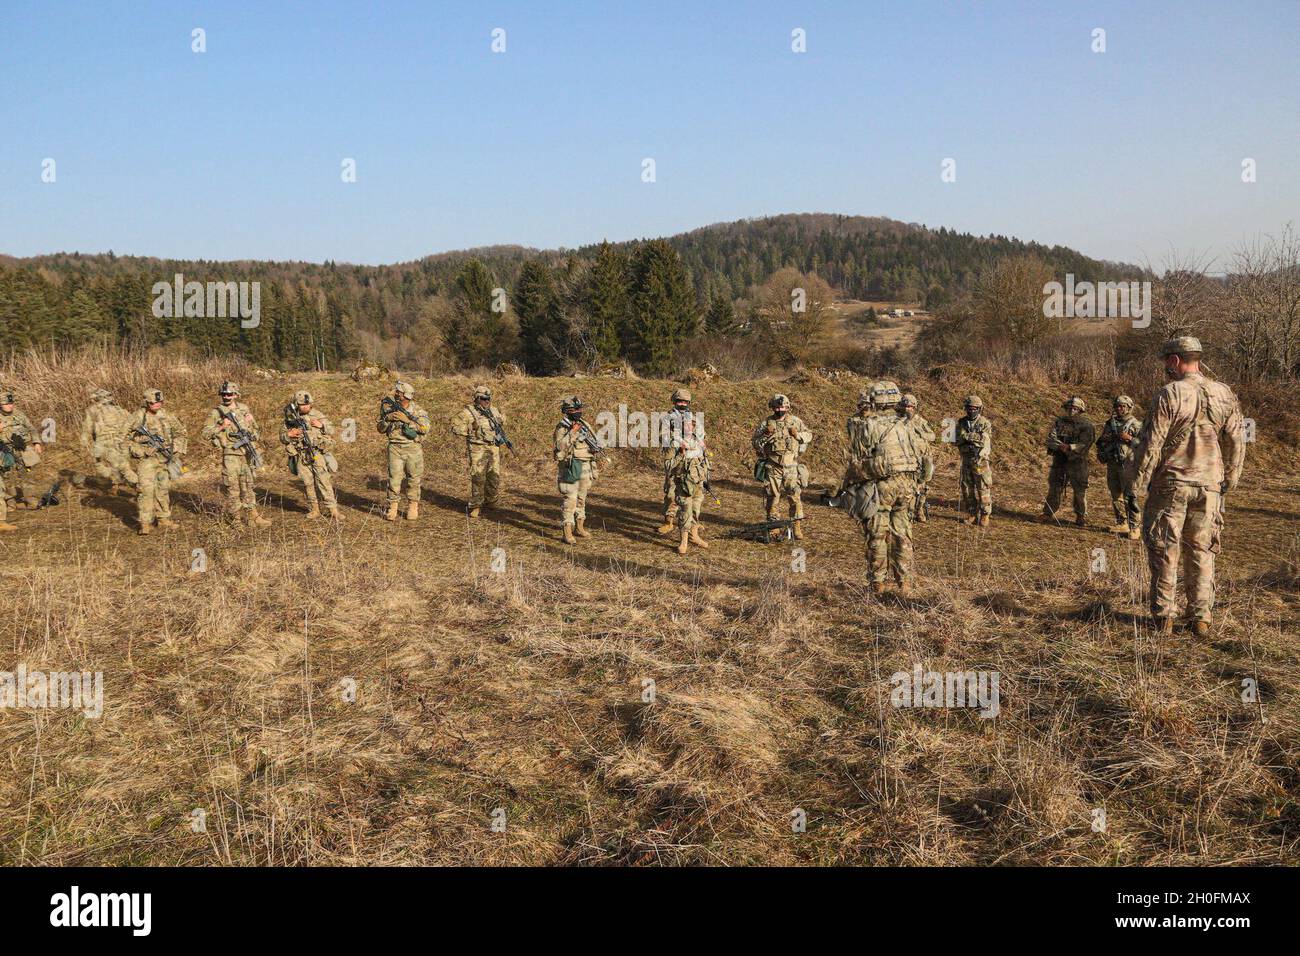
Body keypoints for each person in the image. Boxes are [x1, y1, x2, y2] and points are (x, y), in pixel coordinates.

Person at [1128, 337, 1245, 636]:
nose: (1166, 367)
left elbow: (1151, 441)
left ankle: (1164, 617)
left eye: (1167, 361)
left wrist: (1137, 482)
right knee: (1202, 550)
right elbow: (1236, 440)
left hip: (1172, 482)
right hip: (1209, 485)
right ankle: (1201, 618)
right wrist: (1230, 478)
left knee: (1164, 548)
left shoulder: (1170, 393)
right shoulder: (1224, 393)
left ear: (1175, 360)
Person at [201, 381, 271, 528]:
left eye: (230, 394)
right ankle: (236, 519)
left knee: (248, 485)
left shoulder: (244, 409)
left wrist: (250, 424)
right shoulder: (216, 412)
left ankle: (253, 517)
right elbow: (205, 433)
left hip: (247, 453)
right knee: (232, 488)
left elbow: (257, 433)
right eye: (224, 394)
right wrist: (221, 426)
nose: (227, 396)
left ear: (236, 394)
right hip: (231, 454)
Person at [751, 394, 812, 540]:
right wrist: (766, 434)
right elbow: (755, 443)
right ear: (772, 408)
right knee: (772, 496)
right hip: (773, 465)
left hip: (791, 465)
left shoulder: (795, 421)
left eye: (783, 407)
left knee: (794, 495)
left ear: (788, 407)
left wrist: (797, 435)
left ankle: (796, 524)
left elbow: (809, 435)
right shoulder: (766, 423)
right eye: (777, 407)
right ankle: (774, 526)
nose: (780, 410)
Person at [127, 388, 187, 535]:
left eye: (160, 402)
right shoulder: (137, 418)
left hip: (165, 459)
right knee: (145, 491)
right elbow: (124, 439)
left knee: (163, 489)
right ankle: (145, 523)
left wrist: (177, 451)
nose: (158, 405)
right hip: (147, 461)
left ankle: (163, 519)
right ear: (147, 402)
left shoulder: (167, 416)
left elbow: (181, 433)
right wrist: (141, 451)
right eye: (154, 403)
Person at [281, 390, 339, 520]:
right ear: (296, 405)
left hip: (317, 453)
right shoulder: (290, 418)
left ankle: (333, 510)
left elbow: (332, 430)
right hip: (301, 454)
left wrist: (321, 425)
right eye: (302, 405)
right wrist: (289, 435)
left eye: (308, 404)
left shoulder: (318, 415)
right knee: (308, 483)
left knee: (324, 480)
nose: (306, 407)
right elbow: (282, 437)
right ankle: (314, 509)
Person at [450, 384, 506, 518]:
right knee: (478, 478)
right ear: (476, 398)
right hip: (477, 448)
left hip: (493, 447)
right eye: (483, 398)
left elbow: (500, 421)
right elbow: (455, 427)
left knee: (494, 476)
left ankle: (491, 501)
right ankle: (476, 505)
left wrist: (502, 420)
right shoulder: (467, 413)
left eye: (489, 398)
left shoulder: (493, 410)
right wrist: (470, 428)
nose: (487, 401)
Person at [377, 381, 431, 521]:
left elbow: (425, 429)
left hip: (413, 448)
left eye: (398, 392)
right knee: (394, 479)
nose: (395, 394)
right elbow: (380, 429)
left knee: (413, 479)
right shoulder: (390, 409)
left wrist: (407, 421)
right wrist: (387, 419)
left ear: (406, 395)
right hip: (395, 447)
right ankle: (392, 507)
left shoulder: (418, 411)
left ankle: (412, 506)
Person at [1043, 396, 1095, 527]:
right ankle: (1048, 513)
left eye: (1075, 408)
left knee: (1080, 490)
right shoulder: (1059, 422)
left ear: (1080, 410)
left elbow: (1086, 443)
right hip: (1059, 460)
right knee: (1055, 487)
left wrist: (1070, 447)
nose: (1072, 410)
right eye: (1070, 408)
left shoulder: (1086, 425)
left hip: (1077, 461)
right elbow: (1051, 438)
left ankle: (1081, 516)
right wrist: (1060, 446)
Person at [553, 396, 598, 544]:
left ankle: (579, 527)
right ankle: (567, 531)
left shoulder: (584, 424)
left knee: (581, 498)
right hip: (570, 466)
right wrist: (572, 432)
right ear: (567, 411)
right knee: (570, 499)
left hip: (585, 464)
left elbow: (594, 439)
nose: (579, 412)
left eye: (580, 409)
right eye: (575, 410)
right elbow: (560, 446)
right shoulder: (562, 427)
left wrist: (595, 448)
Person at [1096, 395, 1142, 539]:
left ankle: (1134, 527)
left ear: (1129, 407)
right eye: (1117, 406)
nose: (1119, 409)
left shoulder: (1136, 424)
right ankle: (1122, 523)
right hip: (1113, 463)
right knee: (1116, 495)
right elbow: (1101, 441)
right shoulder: (1110, 424)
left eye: (1122, 406)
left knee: (1130, 496)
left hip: (1129, 464)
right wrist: (1105, 441)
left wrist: (1130, 439)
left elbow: (1145, 445)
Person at [80, 388, 137, 495]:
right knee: (119, 466)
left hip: (104, 444)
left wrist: (84, 443)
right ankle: (115, 486)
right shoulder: (120, 410)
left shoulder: (92, 411)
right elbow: (133, 424)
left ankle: (140, 488)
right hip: (121, 443)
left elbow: (87, 429)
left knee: (106, 466)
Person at [956, 395, 992, 526]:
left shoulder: (984, 423)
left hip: (980, 460)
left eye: (974, 408)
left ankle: (985, 514)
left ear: (979, 409)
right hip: (966, 459)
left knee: (983, 487)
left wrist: (966, 436)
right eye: (969, 408)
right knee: (966, 488)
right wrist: (970, 437)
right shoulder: (961, 422)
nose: (972, 411)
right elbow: (957, 439)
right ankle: (971, 513)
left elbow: (984, 439)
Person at [900, 393, 935, 522]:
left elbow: (932, 437)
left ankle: (919, 511)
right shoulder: (898, 422)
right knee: (909, 487)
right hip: (907, 458)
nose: (907, 409)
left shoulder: (921, 421)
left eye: (909, 406)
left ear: (914, 407)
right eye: (905, 406)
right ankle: (908, 512)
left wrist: (920, 432)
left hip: (924, 458)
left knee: (923, 486)